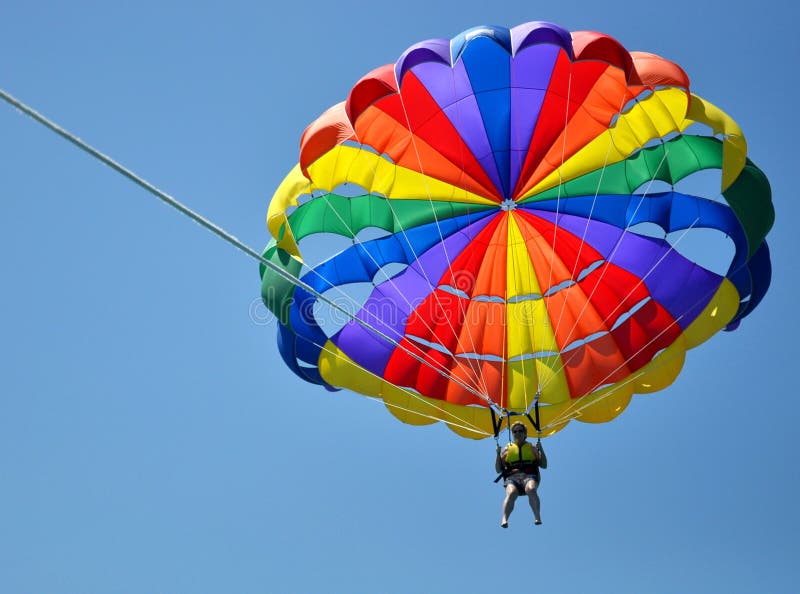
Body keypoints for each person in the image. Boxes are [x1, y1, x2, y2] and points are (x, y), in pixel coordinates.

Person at [495, 421, 547, 528]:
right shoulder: (507, 449)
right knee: (511, 493)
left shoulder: (532, 447)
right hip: (512, 477)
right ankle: (504, 518)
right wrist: (497, 454)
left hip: (529, 475)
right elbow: (498, 470)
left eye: (520, 431)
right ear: (512, 434)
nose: (517, 433)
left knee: (531, 489)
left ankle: (537, 516)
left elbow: (544, 465)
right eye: (515, 431)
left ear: (525, 434)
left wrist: (540, 449)